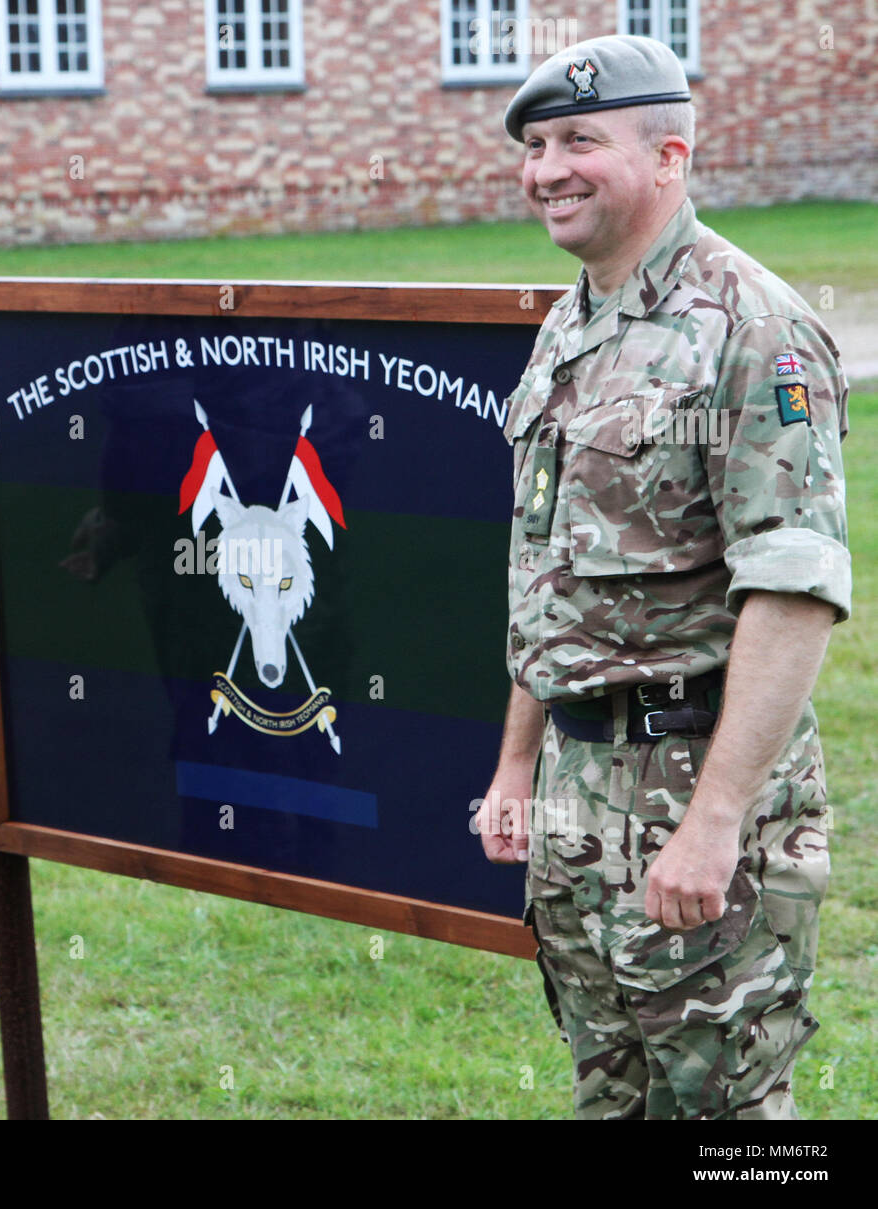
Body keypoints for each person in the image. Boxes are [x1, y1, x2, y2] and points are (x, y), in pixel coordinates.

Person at [476, 35, 849, 1120]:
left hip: (693, 785)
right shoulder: (571, 324)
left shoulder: (752, 328)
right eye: (535, 145)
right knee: (612, 1096)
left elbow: (792, 589)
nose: (546, 170)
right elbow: (547, 580)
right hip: (577, 796)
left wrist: (717, 821)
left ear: (669, 155)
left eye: (579, 142)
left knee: (725, 1113)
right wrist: (515, 771)